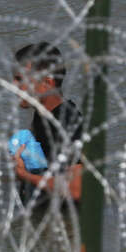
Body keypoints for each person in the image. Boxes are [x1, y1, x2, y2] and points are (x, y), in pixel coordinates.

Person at [11, 42, 83, 204]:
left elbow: (77, 189)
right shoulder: (43, 115)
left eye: (20, 79)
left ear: (48, 84)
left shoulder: (66, 123)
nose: (13, 86)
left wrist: (24, 175)